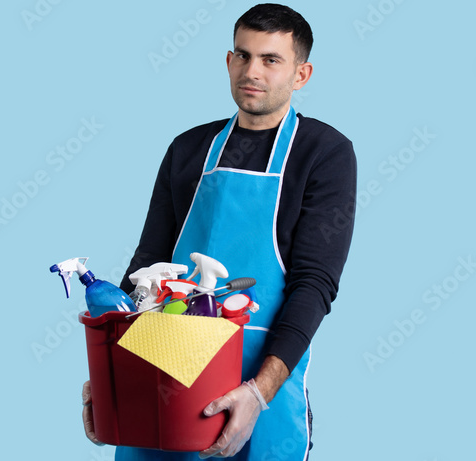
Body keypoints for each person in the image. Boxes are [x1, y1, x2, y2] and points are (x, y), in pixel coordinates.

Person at [80, 4, 356, 460]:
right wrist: (109, 377)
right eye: (243, 56)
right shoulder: (188, 149)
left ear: (301, 74)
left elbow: (315, 285)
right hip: (164, 379)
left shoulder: (323, 153)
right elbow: (144, 270)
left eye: (271, 60)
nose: (252, 71)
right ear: (228, 62)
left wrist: (258, 393)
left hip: (262, 386)